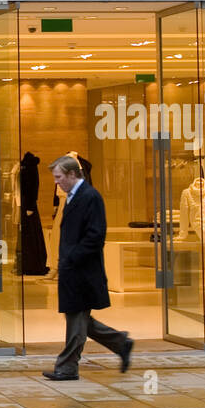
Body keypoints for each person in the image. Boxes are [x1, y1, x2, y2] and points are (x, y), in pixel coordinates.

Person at [43, 155, 134, 380]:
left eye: (59, 177)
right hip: (74, 271)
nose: (56, 182)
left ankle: (67, 367)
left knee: (76, 322)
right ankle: (120, 342)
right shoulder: (73, 197)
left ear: (72, 174)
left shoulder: (90, 197)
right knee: (79, 320)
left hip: (83, 272)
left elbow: (96, 235)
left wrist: (72, 258)